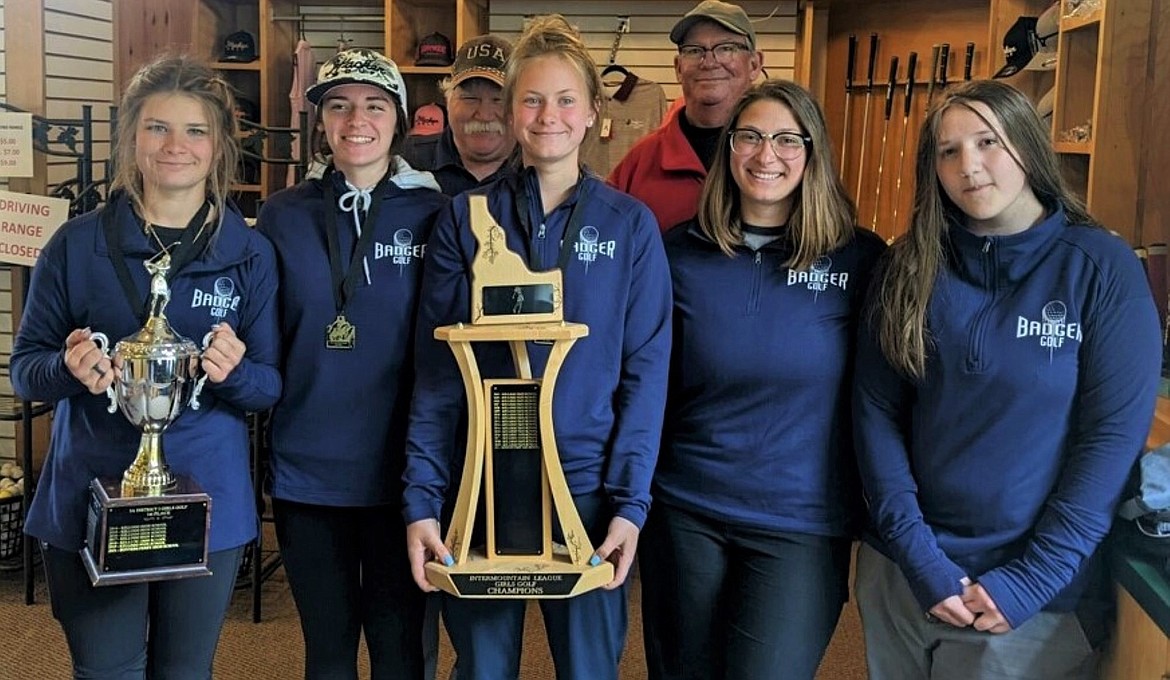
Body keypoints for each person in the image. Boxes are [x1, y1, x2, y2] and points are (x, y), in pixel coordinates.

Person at [853, 78, 1161, 679]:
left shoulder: (1101, 268)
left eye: (987, 141)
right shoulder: (906, 266)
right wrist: (918, 558)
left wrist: (1035, 578)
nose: (969, 165)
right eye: (948, 151)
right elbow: (875, 417)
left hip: (1026, 593)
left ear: (1026, 145)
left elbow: (1109, 443)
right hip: (902, 571)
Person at [402, 15, 672, 680]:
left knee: (588, 668)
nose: (548, 115)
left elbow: (645, 371)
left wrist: (630, 503)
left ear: (590, 115)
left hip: (587, 491)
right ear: (512, 111)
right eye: (532, 99)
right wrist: (422, 498)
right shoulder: (465, 221)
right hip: (482, 489)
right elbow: (437, 375)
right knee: (483, 668)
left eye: (565, 100)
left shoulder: (629, 225)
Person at [10, 54, 281, 678]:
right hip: (90, 497)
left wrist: (233, 372)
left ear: (218, 146)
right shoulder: (75, 244)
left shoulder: (249, 253)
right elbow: (25, 370)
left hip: (208, 504)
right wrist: (68, 369)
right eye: (157, 127)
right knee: (106, 671)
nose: (175, 146)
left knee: (185, 673)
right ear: (132, 136)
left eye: (195, 131)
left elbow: (268, 387)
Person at [640, 79, 885, 680]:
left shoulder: (860, 259)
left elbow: (884, 397)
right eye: (748, 137)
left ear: (813, 151)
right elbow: (646, 385)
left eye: (785, 139)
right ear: (728, 149)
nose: (765, 155)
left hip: (800, 520)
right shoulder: (678, 253)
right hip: (686, 508)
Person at [256, 48, 448, 680]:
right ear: (321, 122)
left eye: (373, 105)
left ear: (398, 121)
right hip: (308, 471)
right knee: (328, 652)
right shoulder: (284, 215)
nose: (355, 119)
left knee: (400, 651)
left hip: (404, 474)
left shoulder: (435, 212)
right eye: (337, 105)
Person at [609, 0, 763, 231]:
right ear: (678, 67)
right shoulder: (640, 162)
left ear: (754, 64)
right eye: (694, 50)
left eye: (726, 48)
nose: (709, 62)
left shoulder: (779, 160)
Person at [398, 35, 516, 196]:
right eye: (470, 98)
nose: (484, 115)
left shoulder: (540, 170)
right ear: (448, 100)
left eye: (498, 100)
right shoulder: (403, 161)